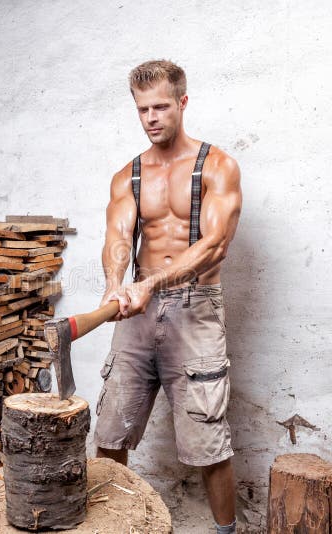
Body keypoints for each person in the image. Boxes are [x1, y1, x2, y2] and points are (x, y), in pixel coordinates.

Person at [95, 59, 242, 534]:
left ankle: (226, 531)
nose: (151, 117)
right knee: (111, 429)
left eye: (161, 106)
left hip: (195, 309)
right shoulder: (128, 175)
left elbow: (214, 244)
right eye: (142, 109)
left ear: (182, 102)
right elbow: (119, 236)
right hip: (136, 312)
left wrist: (150, 283)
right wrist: (115, 282)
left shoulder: (218, 165)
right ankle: (114, 525)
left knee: (207, 442)